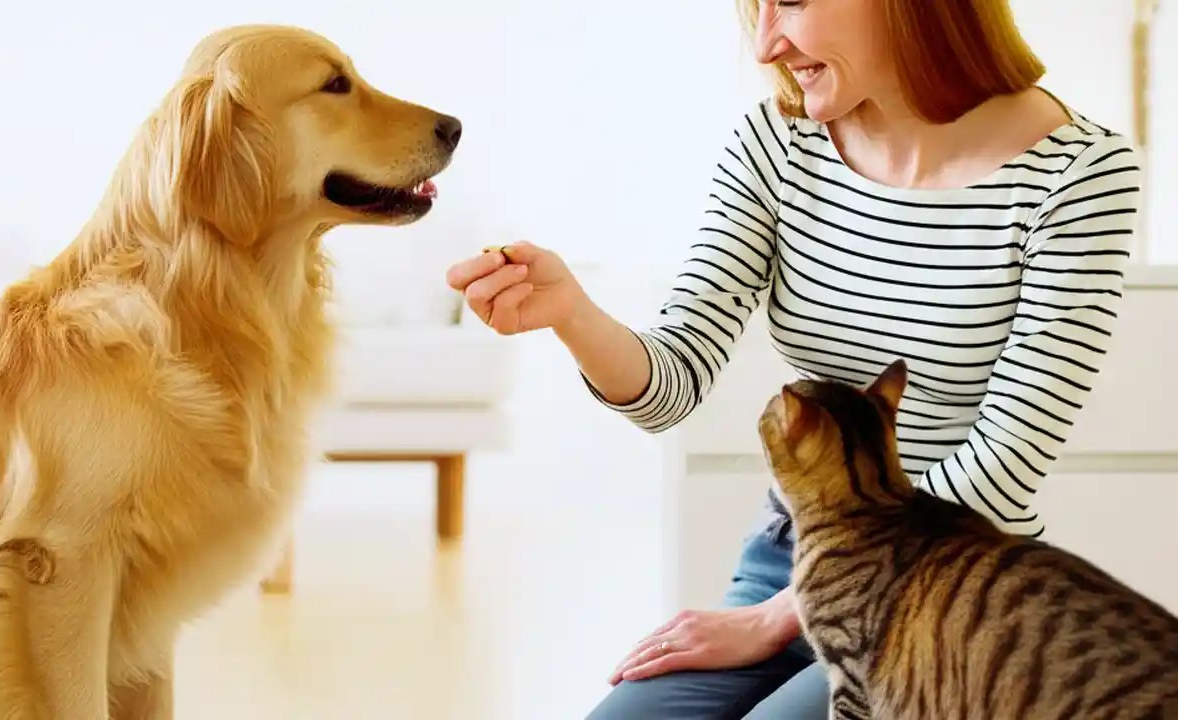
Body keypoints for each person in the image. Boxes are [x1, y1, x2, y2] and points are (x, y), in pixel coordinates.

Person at [444, 0, 1143, 716]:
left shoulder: (1080, 176)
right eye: (759, 9)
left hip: (950, 593)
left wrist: (777, 616)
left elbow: (1008, 461)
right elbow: (671, 386)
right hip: (791, 557)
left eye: (795, 3)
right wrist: (571, 314)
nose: (767, 45)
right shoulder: (779, 142)